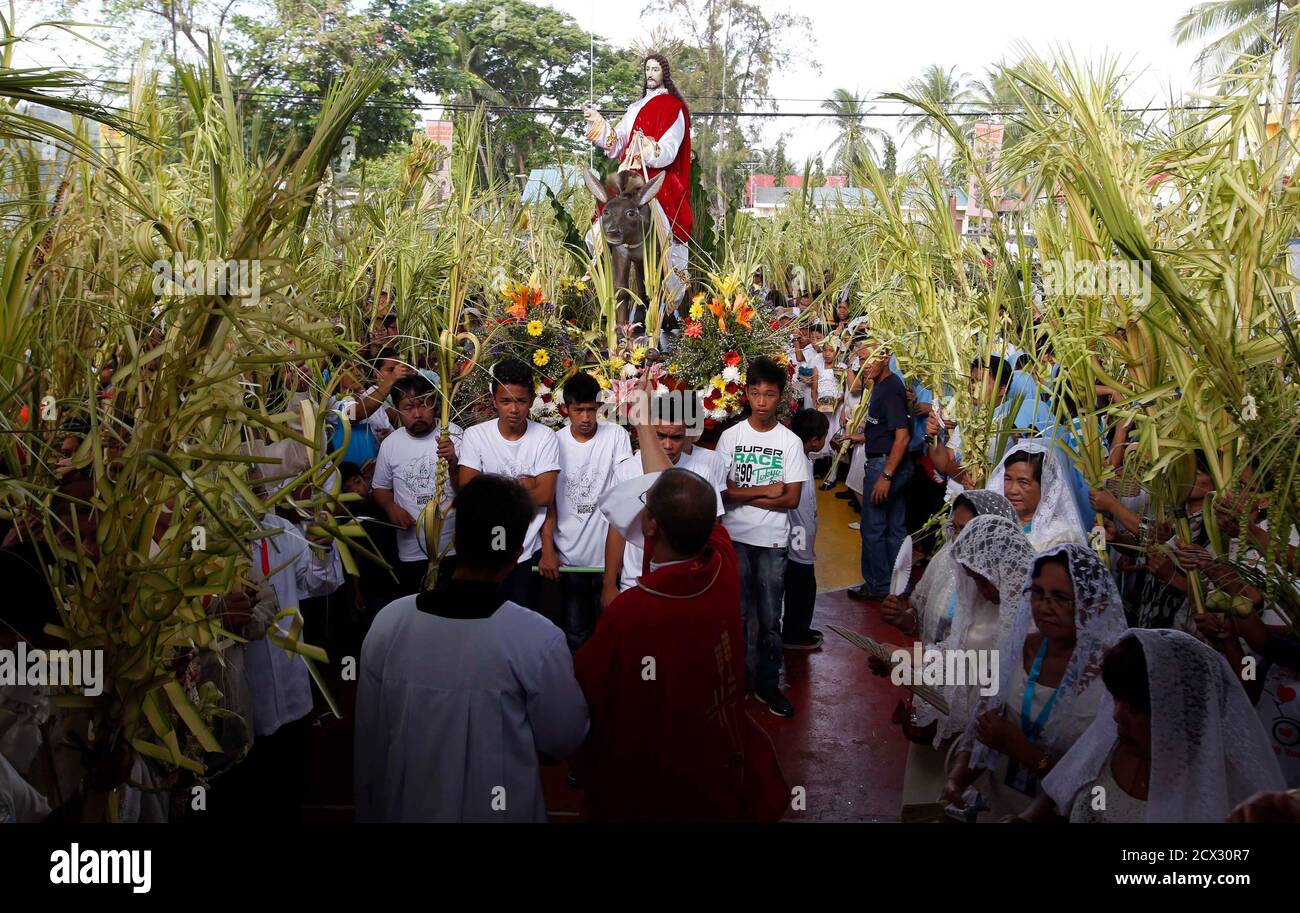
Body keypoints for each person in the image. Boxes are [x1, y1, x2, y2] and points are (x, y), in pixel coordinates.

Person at [572, 395, 788, 821]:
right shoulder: (723, 565)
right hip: (721, 755)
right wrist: (644, 425)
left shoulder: (633, 611)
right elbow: (668, 488)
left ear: (650, 527)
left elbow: (588, 696)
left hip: (659, 770)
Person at [354, 474, 589, 822]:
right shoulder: (536, 638)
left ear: (456, 540)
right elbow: (563, 737)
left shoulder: (390, 623)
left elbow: (370, 734)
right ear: (517, 554)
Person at [944, 544, 1129, 821]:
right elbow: (980, 728)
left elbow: (1096, 787)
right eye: (1038, 593)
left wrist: (1025, 752)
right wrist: (957, 780)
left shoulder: (1109, 678)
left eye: (1060, 597)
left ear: (1094, 604)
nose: (1045, 606)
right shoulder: (1016, 650)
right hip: (997, 803)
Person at [1031, 630, 1286, 822]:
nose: (1117, 715)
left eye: (1135, 709)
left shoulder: (1225, 792)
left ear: (1179, 714)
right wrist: (1028, 817)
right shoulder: (1110, 742)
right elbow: (1064, 789)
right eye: (1115, 699)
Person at [717, 357, 809, 717]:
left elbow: (791, 498)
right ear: (747, 394)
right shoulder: (731, 437)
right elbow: (722, 493)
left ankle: (768, 686)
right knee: (736, 615)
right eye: (755, 394)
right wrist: (766, 490)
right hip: (735, 537)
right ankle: (737, 684)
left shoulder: (789, 442)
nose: (761, 402)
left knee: (771, 619)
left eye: (769, 395)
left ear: (780, 397)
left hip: (772, 540)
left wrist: (748, 491)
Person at [583, 53, 692, 303]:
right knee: (600, 223)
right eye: (647, 69)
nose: (650, 73)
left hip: (652, 175)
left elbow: (670, 146)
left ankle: (666, 292)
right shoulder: (635, 108)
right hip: (628, 175)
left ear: (664, 72)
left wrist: (648, 150)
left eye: (655, 69)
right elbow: (617, 141)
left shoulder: (673, 107)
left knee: (664, 225)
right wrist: (599, 123)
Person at [601, 395, 726, 604]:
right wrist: (608, 584)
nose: (668, 445)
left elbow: (712, 532)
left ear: (687, 434)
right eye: (660, 436)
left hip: (685, 585)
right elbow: (616, 530)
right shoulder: (627, 470)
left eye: (676, 437)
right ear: (649, 431)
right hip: (634, 582)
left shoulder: (703, 473)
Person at [458, 358, 561, 610]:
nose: (513, 409)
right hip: (485, 549)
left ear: (532, 400)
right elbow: (468, 493)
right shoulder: (476, 436)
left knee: (523, 618)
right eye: (505, 401)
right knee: (483, 616)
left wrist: (490, 490)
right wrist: (524, 485)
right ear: (494, 400)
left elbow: (546, 495)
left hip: (527, 548)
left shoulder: (545, 437)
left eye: (521, 401)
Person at [540, 372, 632, 650]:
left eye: (591, 409)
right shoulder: (552, 441)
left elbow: (623, 497)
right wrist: (548, 550)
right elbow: (548, 502)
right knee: (576, 632)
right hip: (570, 559)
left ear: (599, 408)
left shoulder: (616, 436)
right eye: (578, 410)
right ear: (566, 409)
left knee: (611, 632)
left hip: (608, 557)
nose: (585, 417)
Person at [371, 374, 462, 595]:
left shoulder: (456, 436)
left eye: (424, 404)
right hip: (412, 549)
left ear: (435, 403)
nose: (418, 413)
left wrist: (453, 462)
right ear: (397, 409)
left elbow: (468, 491)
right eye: (409, 407)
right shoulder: (391, 444)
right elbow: (380, 488)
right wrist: (392, 508)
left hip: (452, 547)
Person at [848, 342, 913, 602]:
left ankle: (877, 585)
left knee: (874, 527)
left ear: (885, 358)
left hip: (885, 466)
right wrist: (859, 437)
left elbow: (902, 437)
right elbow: (886, 431)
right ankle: (896, 586)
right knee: (894, 526)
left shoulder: (890, 390)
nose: (863, 365)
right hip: (888, 461)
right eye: (861, 360)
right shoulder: (883, 386)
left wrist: (886, 476)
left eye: (868, 359)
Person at [783, 408, 830, 651]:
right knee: (802, 587)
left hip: (799, 535)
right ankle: (795, 633)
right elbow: (799, 508)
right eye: (824, 437)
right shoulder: (797, 462)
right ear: (814, 440)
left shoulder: (802, 457)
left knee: (799, 586)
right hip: (798, 537)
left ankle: (797, 628)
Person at [985, 440, 1088, 550]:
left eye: (1023, 482)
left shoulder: (1061, 538)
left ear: (1045, 487)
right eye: (1008, 479)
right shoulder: (994, 526)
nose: (1012, 490)